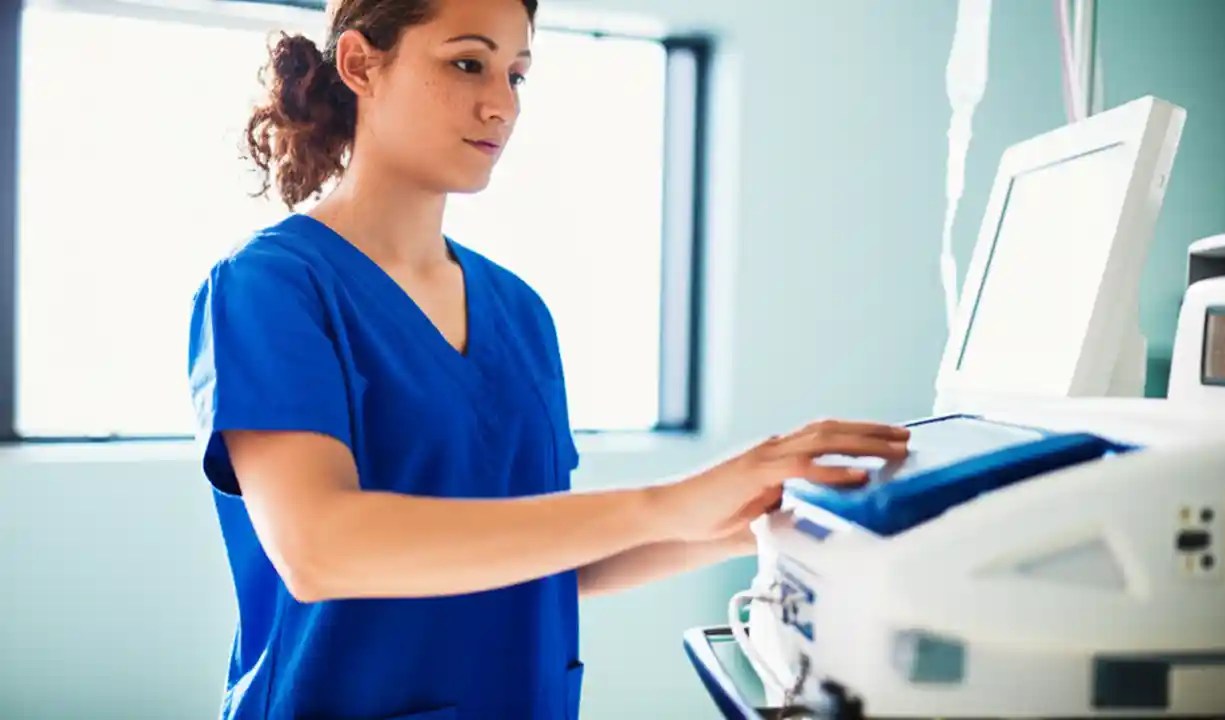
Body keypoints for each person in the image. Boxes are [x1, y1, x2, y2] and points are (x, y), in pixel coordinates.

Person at [186, 0, 912, 717]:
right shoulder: (272, 285)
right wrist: (669, 501)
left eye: (518, 75)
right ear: (359, 64)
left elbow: (559, 560)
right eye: (468, 64)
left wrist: (759, 524)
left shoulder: (519, 311)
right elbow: (321, 550)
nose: (501, 106)